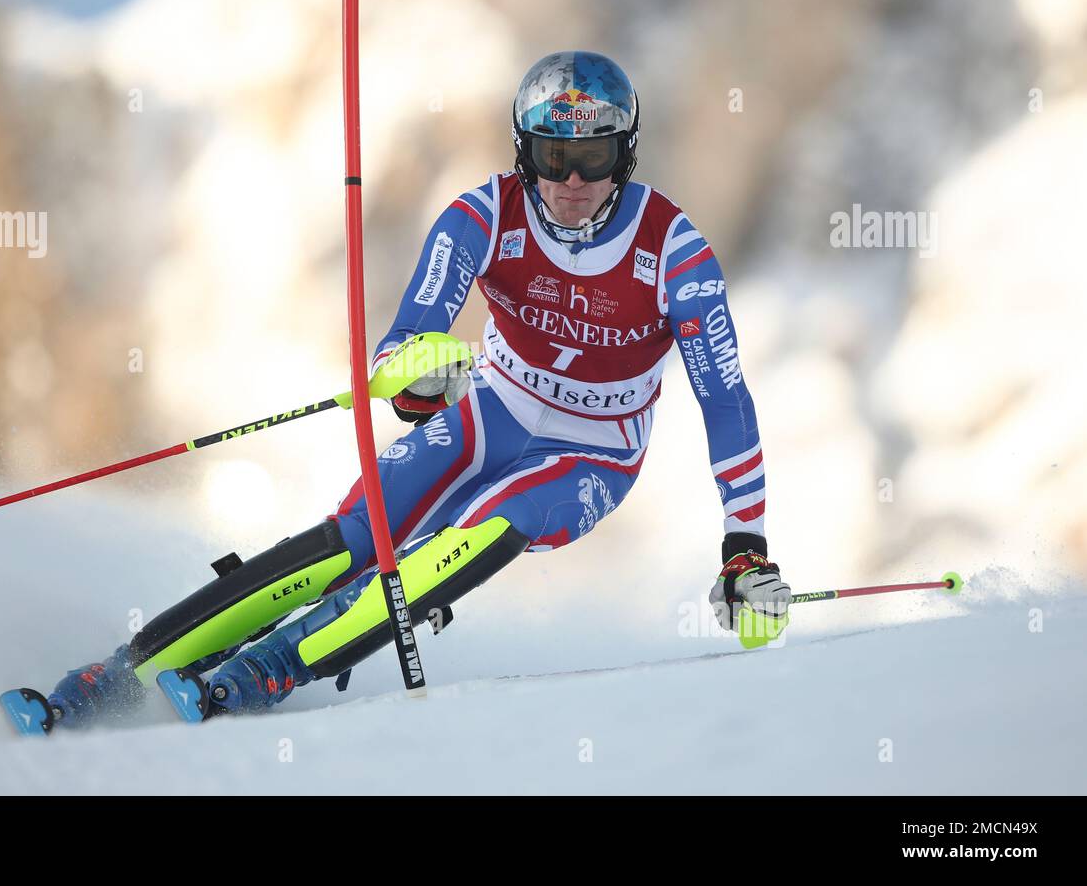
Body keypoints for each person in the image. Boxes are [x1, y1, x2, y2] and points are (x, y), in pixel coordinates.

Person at [39, 50, 791, 726]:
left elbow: (724, 400)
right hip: (493, 412)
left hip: (592, 454)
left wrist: (744, 549)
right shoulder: (483, 215)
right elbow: (409, 338)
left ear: (623, 156)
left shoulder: (674, 250)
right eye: (552, 154)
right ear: (522, 151)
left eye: (591, 158)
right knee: (354, 540)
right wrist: (413, 382)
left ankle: (270, 669)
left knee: (480, 530)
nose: (571, 181)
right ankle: (121, 672)